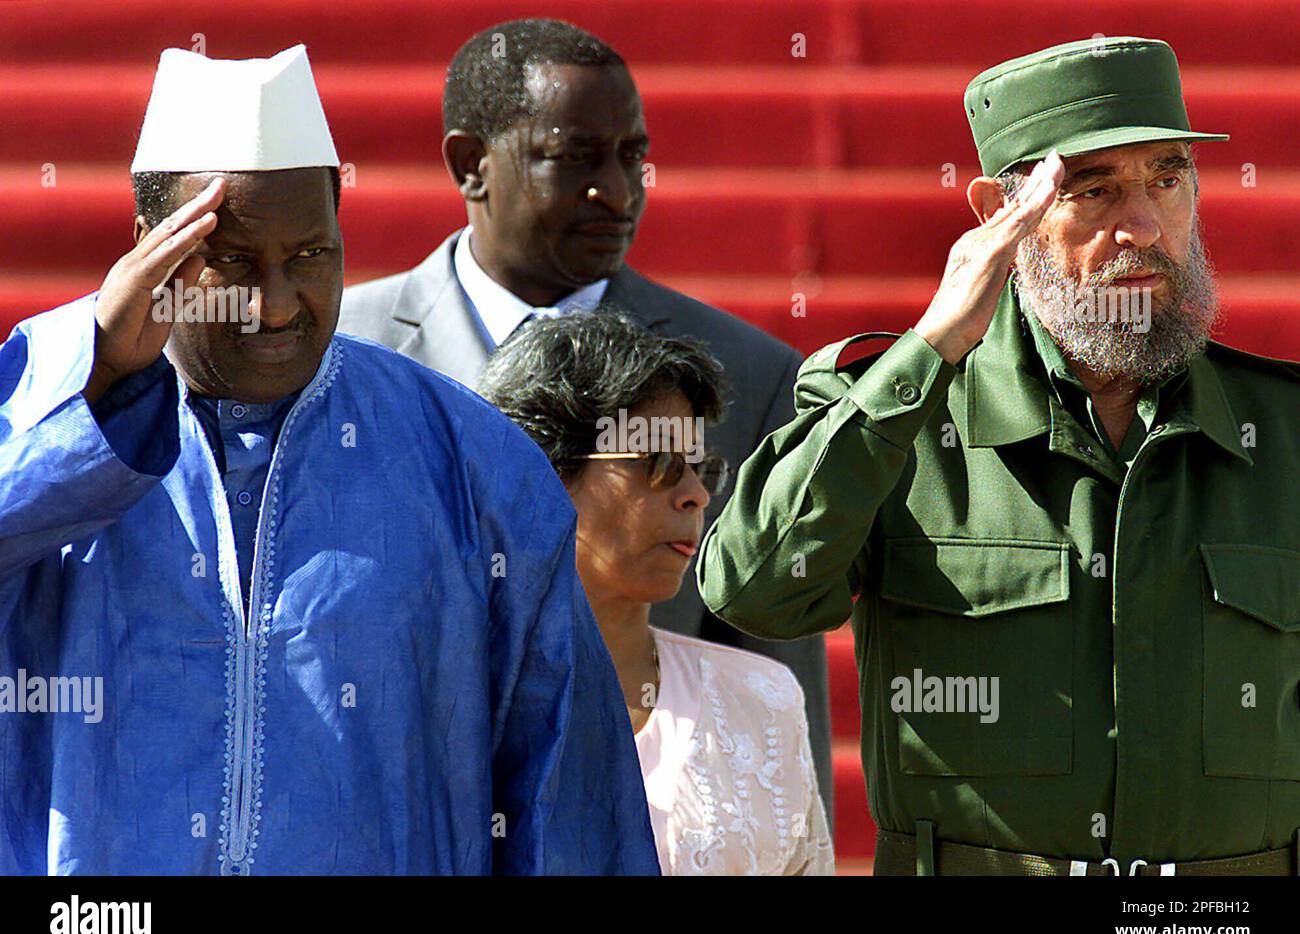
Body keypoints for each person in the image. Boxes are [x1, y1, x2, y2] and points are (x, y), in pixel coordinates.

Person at [0, 45, 658, 876]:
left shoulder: (472, 462)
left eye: (310, 255)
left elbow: (569, 797)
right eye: (232, 261)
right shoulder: (45, 418)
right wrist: (91, 392)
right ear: (148, 251)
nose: (276, 305)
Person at [698, 36, 1300, 876]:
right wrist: (931, 346)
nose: (1143, 226)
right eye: (1094, 189)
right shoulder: (896, 414)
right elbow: (755, 588)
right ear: (997, 212)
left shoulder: (1282, 431)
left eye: (1167, 178)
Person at [338, 17, 833, 818]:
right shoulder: (344, 358)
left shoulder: (751, 374)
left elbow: (769, 701)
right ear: (472, 164)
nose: (620, 191)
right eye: (575, 158)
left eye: (632, 156)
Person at [479, 309, 834, 875]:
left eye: (703, 469)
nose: (696, 494)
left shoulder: (761, 702)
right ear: (543, 475)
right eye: (661, 465)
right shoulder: (448, 703)